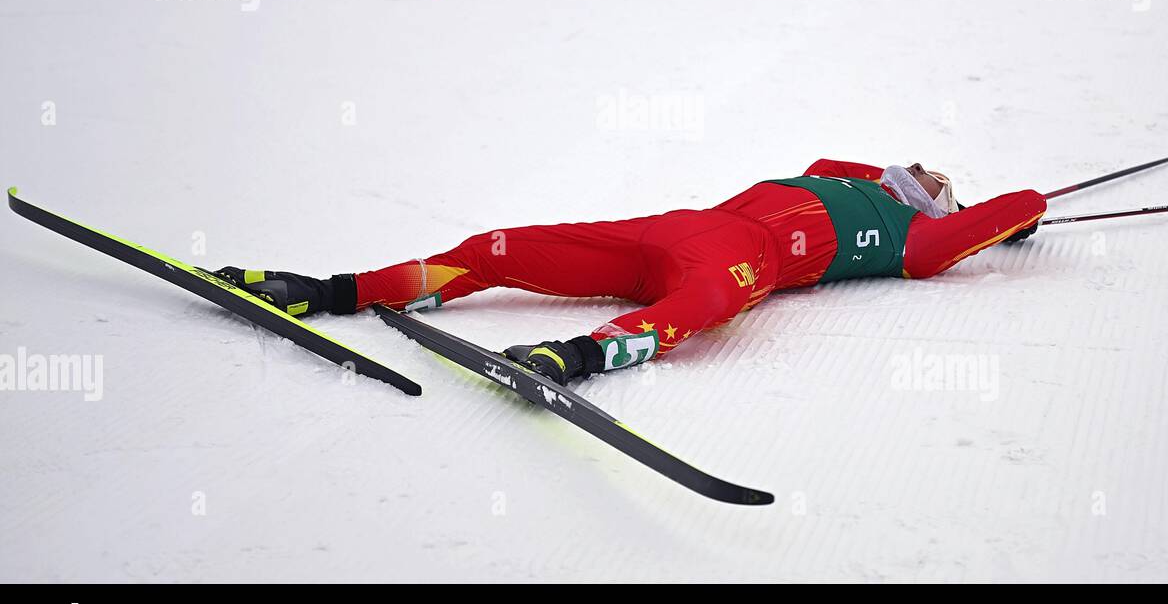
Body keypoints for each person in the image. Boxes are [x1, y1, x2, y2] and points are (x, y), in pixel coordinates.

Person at [215, 159, 1046, 384]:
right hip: (673, 226)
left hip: (740, 259)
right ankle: (334, 292)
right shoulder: (840, 173)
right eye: (931, 171)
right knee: (504, 247)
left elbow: (989, 220)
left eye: (946, 187)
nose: (937, 176)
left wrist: (1021, 210)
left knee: (712, 303)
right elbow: (846, 157)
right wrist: (895, 178)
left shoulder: (912, 237)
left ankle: (583, 353)